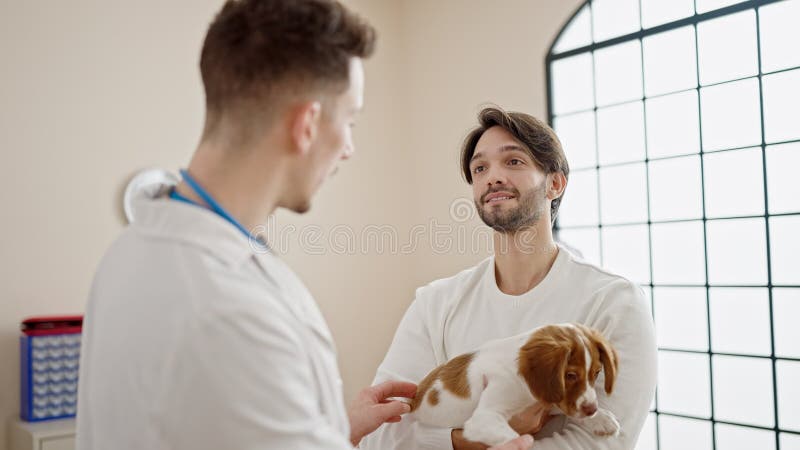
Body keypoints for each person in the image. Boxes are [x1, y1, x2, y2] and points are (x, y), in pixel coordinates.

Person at [76, 1, 535, 449]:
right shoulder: (231, 308)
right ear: (307, 123)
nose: (349, 148)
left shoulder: (131, 252)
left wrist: (332, 426)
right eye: (350, 119)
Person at [359, 107, 658, 450]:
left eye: (513, 162)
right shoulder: (434, 303)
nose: (492, 177)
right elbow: (378, 437)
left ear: (555, 183)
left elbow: (602, 443)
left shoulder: (615, 302)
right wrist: (466, 441)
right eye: (480, 168)